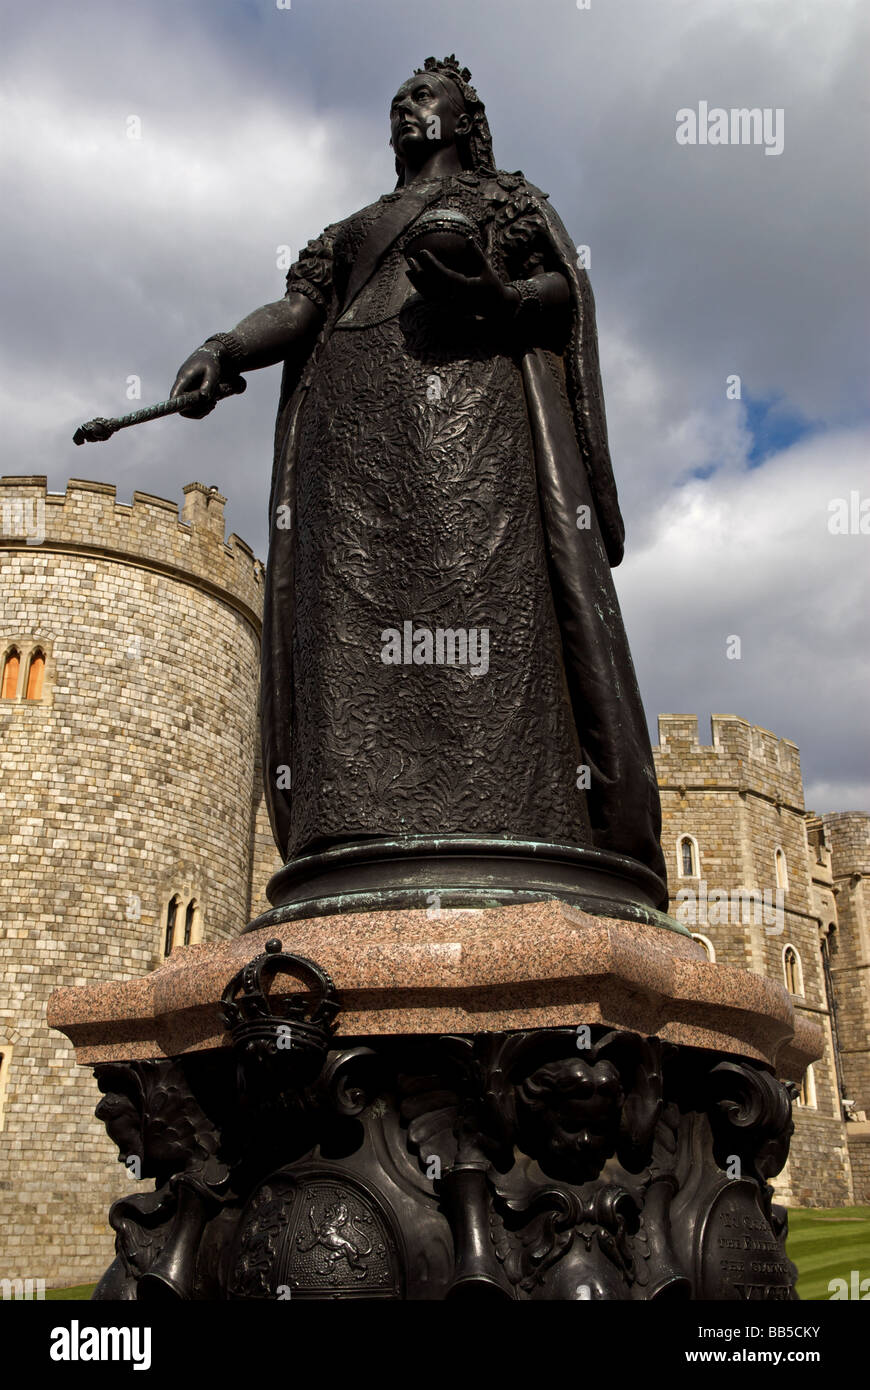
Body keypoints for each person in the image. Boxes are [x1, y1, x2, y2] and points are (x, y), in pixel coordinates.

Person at [170, 56, 668, 902]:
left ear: (463, 119)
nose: (407, 107)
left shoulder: (504, 198)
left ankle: (510, 813)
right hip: (348, 443)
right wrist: (223, 351)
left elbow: (562, 292)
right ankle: (354, 826)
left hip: (469, 425)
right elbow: (297, 313)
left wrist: (503, 298)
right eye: (399, 99)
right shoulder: (350, 230)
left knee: (479, 604)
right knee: (346, 632)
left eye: (425, 96)